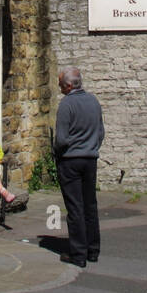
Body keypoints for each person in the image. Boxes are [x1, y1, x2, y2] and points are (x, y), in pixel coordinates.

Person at [54, 66, 104, 268]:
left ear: (67, 85)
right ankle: (93, 250)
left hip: (70, 160)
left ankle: (78, 254)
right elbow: (101, 132)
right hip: (90, 159)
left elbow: (62, 139)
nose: (59, 87)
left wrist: (58, 152)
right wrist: (91, 147)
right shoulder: (93, 101)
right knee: (90, 205)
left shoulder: (67, 104)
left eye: (60, 84)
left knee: (75, 208)